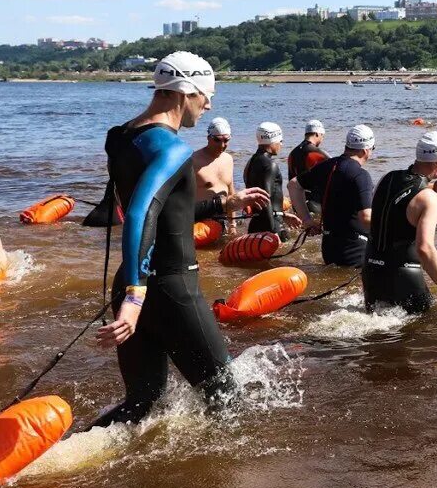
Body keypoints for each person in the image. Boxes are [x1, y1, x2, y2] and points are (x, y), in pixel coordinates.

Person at [92, 52, 269, 428]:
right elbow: (141, 214)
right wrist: (137, 298)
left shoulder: (120, 138)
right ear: (185, 91)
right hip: (171, 289)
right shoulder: (172, 149)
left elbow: (166, 211)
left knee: (142, 404)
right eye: (207, 94)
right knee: (229, 403)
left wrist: (225, 202)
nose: (209, 104)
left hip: (130, 280)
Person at [362, 131, 437, 314]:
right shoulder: (430, 199)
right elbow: (424, 248)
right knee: (424, 332)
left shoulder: (387, 178)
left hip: (370, 269)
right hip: (403, 275)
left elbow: (377, 218)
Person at [288, 125, 376, 267]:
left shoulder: (326, 166)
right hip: (355, 249)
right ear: (366, 149)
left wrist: (307, 220)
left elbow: (293, 185)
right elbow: (365, 217)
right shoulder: (361, 175)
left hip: (328, 247)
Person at [244, 122, 300, 239]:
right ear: (272, 140)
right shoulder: (270, 165)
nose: (281, 144)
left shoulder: (251, 162)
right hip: (271, 224)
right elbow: (264, 198)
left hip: (255, 223)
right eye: (280, 140)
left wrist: (283, 214)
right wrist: (273, 232)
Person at [191, 116, 237, 233]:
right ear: (208, 138)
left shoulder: (228, 159)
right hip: (200, 222)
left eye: (226, 140)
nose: (222, 145)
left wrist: (233, 224)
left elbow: (231, 192)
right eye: (217, 140)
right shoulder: (194, 161)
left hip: (222, 221)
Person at [287, 119, 330, 215]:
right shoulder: (318, 153)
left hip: (297, 203)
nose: (322, 139)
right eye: (322, 136)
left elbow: (291, 181)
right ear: (317, 134)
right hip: (315, 203)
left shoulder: (292, 154)